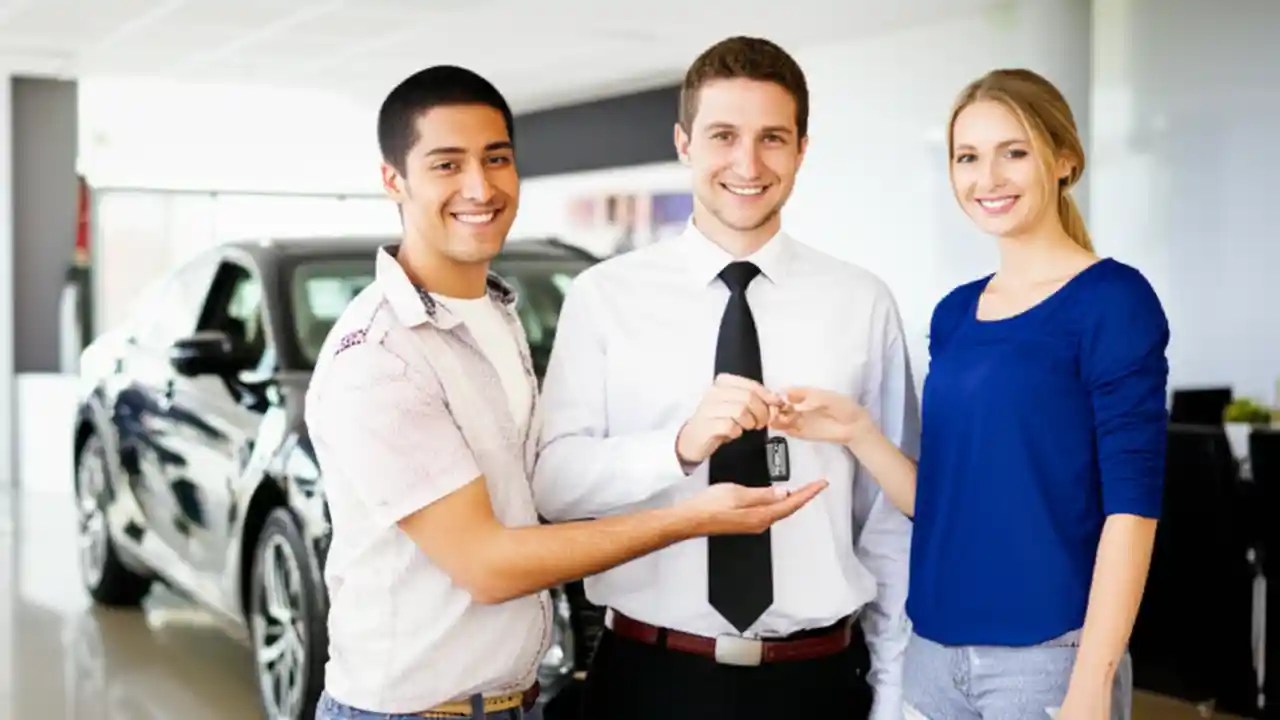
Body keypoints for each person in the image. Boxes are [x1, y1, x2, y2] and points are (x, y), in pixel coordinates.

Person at [304, 64, 828, 720]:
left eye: (496, 158)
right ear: (393, 180)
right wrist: (692, 518)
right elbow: (489, 564)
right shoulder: (382, 358)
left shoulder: (492, 311)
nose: (479, 186)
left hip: (510, 702)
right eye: (446, 164)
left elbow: (543, 488)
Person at [533, 37, 918, 720]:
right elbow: (554, 486)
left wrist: (893, 697)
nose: (748, 162)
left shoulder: (862, 302)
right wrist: (675, 445)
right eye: (723, 135)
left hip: (818, 684)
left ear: (802, 148)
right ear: (684, 142)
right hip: (651, 682)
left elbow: (888, 524)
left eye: (772, 138)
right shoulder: (603, 297)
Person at [771, 68, 1170, 720]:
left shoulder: (1114, 301)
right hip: (932, 656)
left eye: (1014, 152)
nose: (988, 178)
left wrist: (1092, 682)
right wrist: (858, 432)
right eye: (968, 157)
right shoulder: (955, 315)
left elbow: (1132, 512)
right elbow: (948, 506)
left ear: (1064, 159)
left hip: (1046, 659)